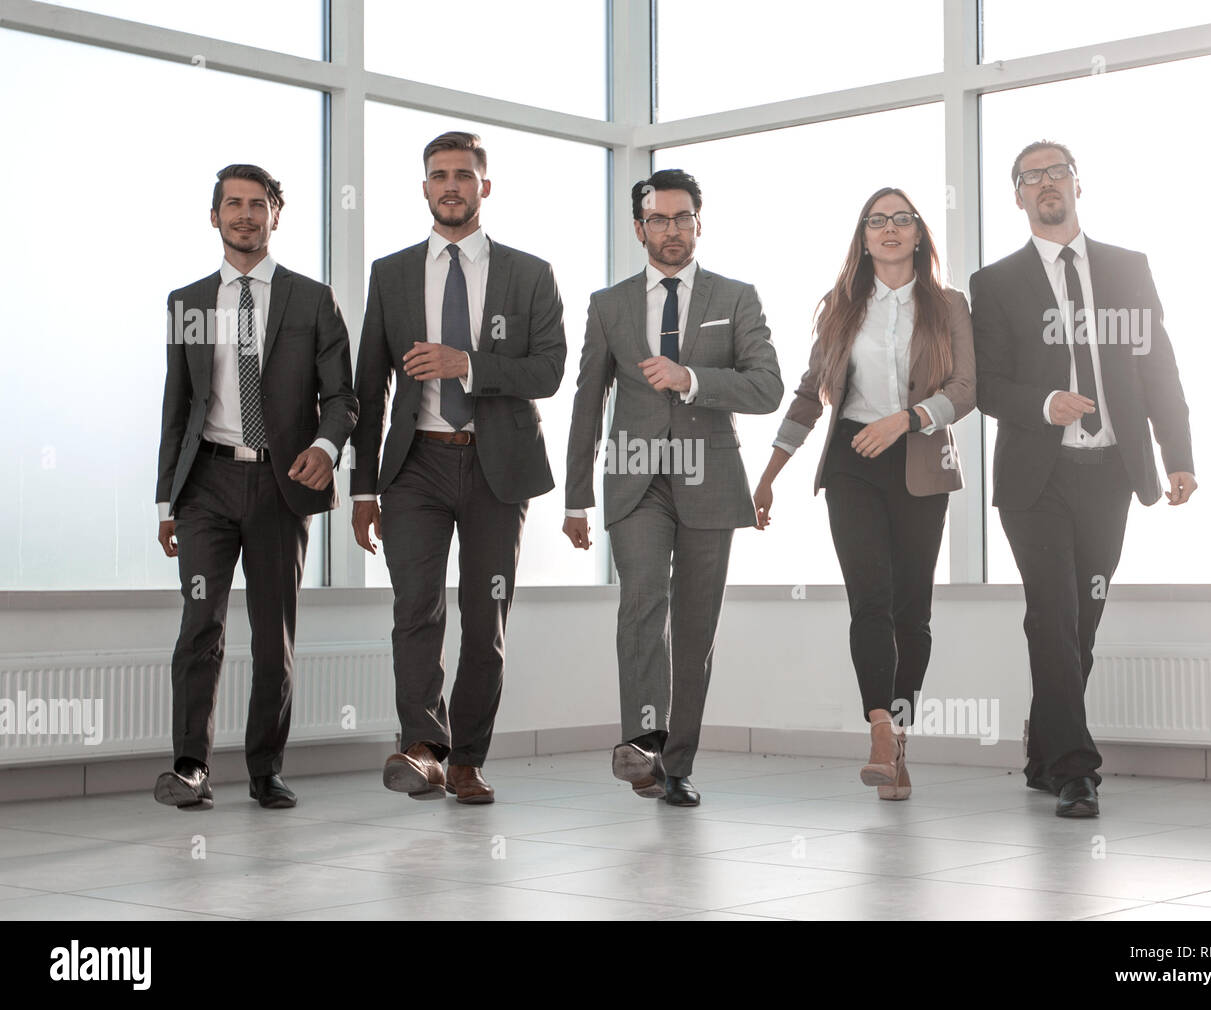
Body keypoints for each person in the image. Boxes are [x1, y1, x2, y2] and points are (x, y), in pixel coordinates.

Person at [970, 140, 1195, 818]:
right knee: (1052, 615)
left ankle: (1044, 749)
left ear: (1076, 184)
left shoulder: (1128, 269)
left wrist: (1177, 454)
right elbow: (986, 385)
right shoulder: (997, 283)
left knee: (1083, 619)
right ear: (1016, 196)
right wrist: (1043, 403)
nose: (1046, 184)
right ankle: (1075, 769)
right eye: (1030, 176)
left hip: (1109, 474)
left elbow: (1159, 365)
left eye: (1057, 172)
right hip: (1037, 480)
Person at [351, 131, 566, 805]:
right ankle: (424, 748)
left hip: (497, 469)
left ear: (484, 187)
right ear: (424, 188)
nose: (451, 185)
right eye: (439, 175)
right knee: (415, 610)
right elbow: (369, 386)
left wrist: (467, 364)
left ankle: (468, 758)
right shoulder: (390, 274)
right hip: (414, 466)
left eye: (464, 175)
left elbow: (550, 369)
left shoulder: (528, 274)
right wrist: (362, 488)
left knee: (485, 617)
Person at [563, 168, 782, 807]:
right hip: (635, 481)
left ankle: (677, 764)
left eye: (683, 218)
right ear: (639, 228)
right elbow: (586, 400)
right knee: (642, 605)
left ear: (698, 224)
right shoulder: (609, 305)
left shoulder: (735, 298)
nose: (672, 230)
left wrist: (691, 378)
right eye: (659, 219)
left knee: (695, 628)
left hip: (710, 478)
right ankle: (645, 745)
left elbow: (767, 386)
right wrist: (576, 494)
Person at [754, 188, 975, 801]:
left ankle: (898, 733)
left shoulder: (948, 305)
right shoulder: (842, 308)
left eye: (902, 219)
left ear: (919, 234)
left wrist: (906, 420)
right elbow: (808, 393)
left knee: (913, 611)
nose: (889, 229)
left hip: (921, 461)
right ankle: (881, 728)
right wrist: (771, 472)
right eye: (877, 221)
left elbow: (966, 387)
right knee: (870, 599)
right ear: (864, 236)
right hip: (853, 463)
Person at [154, 164, 358, 811]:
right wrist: (167, 501)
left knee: (273, 636)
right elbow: (177, 405)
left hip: (278, 485)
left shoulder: (312, 299)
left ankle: (265, 767)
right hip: (205, 487)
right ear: (213, 216)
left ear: (275, 215)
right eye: (232, 205)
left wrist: (326, 448)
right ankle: (191, 767)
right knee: (199, 627)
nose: (245, 215)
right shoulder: (187, 303)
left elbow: (343, 396)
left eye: (257, 205)